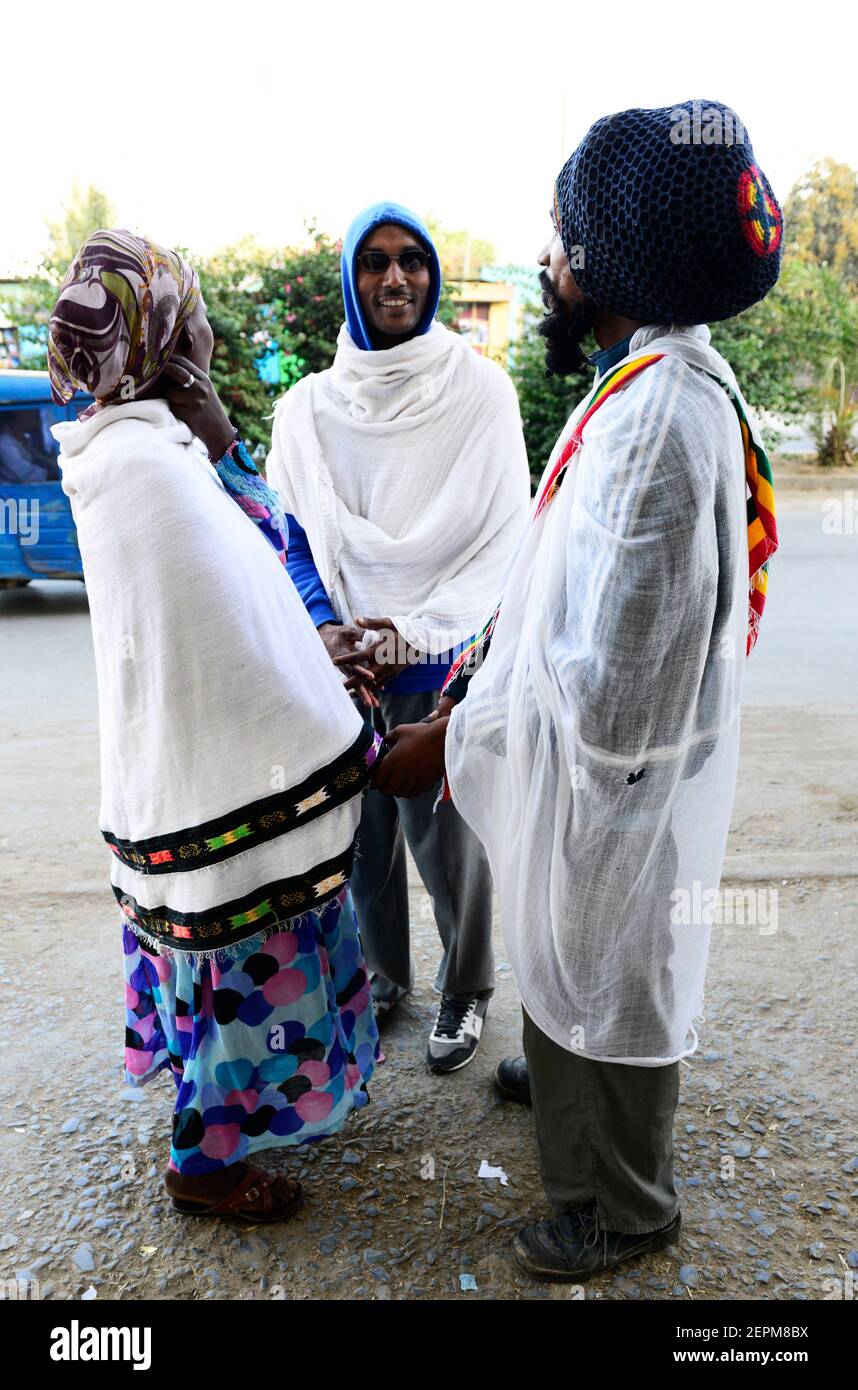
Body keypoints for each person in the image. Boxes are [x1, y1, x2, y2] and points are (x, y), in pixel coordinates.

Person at [371, 101, 781, 1278]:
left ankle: (620, 1205)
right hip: (598, 781)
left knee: (613, 961)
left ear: (600, 266)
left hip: (615, 789)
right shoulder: (641, 386)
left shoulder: (658, 420)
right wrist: (478, 712)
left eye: (555, 239)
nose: (544, 259)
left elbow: (610, 690)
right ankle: (567, 1080)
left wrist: (457, 738)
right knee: (579, 957)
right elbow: (565, 603)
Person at [49, 229, 381, 1222]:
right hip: (218, 785)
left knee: (222, 970)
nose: (200, 324)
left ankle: (223, 1132)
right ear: (154, 327)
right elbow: (239, 634)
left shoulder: (131, 444)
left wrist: (224, 437)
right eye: (187, 309)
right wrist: (342, 716)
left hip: (177, 778)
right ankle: (207, 1167)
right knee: (242, 967)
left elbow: (266, 557)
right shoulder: (148, 469)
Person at [266, 202, 531, 1073]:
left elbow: (504, 540)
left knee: (451, 837)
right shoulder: (308, 408)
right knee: (363, 834)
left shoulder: (480, 392)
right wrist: (327, 629)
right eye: (374, 262)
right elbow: (294, 536)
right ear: (350, 277)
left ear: (434, 275)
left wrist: (420, 630)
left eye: (412, 260)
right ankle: (384, 981)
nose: (395, 278)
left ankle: (466, 990)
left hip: (448, 655)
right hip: (345, 667)